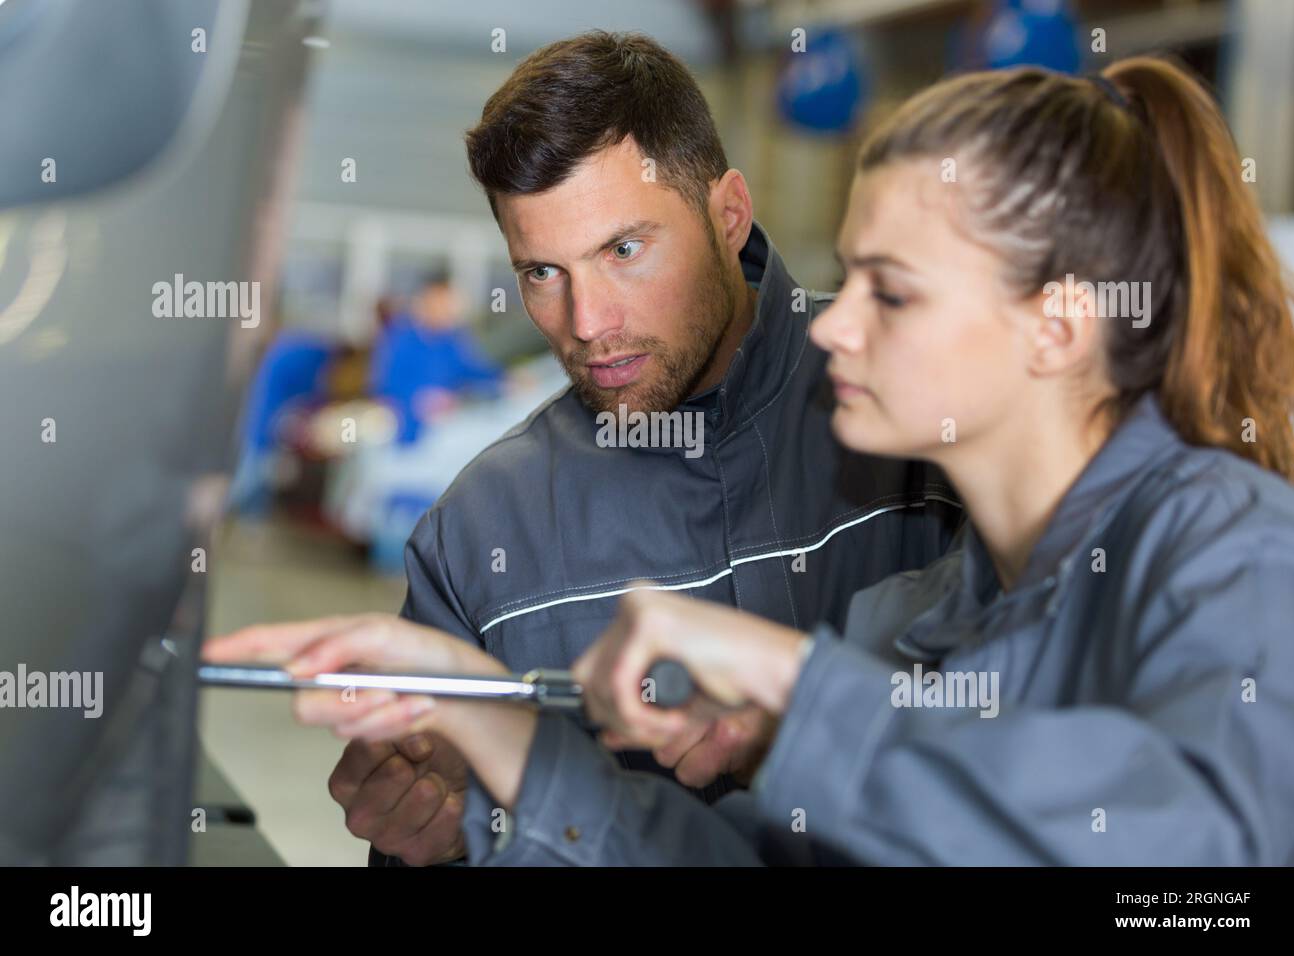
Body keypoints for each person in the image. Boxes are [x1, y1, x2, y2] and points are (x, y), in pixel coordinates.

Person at [208, 55, 1294, 865]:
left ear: (1059, 324)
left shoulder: (1228, 546)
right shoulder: (933, 617)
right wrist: (490, 722)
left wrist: (794, 687)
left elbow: (1211, 856)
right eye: (539, 272)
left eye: (893, 290)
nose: (831, 326)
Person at [315, 32, 962, 865]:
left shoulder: (926, 402)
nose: (588, 324)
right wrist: (433, 832)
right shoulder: (478, 538)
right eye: (542, 272)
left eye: (624, 250)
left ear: (729, 214)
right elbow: (442, 810)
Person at [368, 271, 503, 445]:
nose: (448, 312)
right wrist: (420, 399)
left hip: (446, 428)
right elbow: (382, 384)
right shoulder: (399, 338)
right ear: (425, 303)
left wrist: (503, 378)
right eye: (442, 305)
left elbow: (471, 369)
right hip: (405, 432)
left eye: (449, 306)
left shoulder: (452, 339)